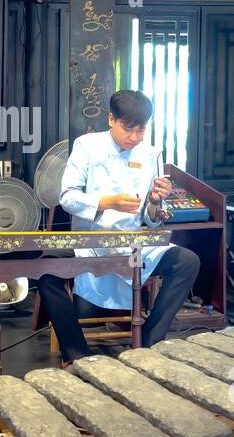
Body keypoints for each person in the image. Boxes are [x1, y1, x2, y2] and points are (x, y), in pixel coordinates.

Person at [36, 90, 199, 363]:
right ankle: (77, 354)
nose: (134, 137)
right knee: (45, 271)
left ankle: (148, 343)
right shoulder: (87, 145)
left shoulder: (151, 154)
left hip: (132, 242)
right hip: (90, 241)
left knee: (187, 261)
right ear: (111, 119)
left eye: (141, 129)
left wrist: (156, 204)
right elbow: (67, 198)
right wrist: (106, 202)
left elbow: (149, 216)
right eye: (128, 128)